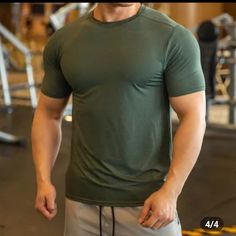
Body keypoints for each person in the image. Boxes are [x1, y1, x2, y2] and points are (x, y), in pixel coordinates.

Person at [32, 3, 206, 236]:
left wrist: (171, 191)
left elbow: (193, 116)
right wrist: (43, 179)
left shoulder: (173, 37)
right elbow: (48, 113)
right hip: (81, 203)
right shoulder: (64, 41)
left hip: (148, 205)